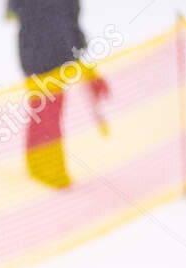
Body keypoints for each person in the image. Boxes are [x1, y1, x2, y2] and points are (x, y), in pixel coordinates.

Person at [7, 0, 111, 188]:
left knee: (46, 112)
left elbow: (71, 20)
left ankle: (40, 165)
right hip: (39, 56)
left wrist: (79, 53)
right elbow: (17, 11)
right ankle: (49, 169)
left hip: (54, 56)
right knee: (46, 113)